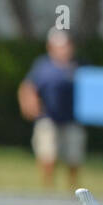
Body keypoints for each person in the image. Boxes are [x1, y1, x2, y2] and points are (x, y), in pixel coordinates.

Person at [19, 29, 83, 188]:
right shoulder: (43, 65)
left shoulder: (79, 65)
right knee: (48, 154)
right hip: (48, 117)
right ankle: (48, 188)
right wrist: (28, 103)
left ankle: (73, 189)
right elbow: (28, 86)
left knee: (73, 156)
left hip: (72, 119)